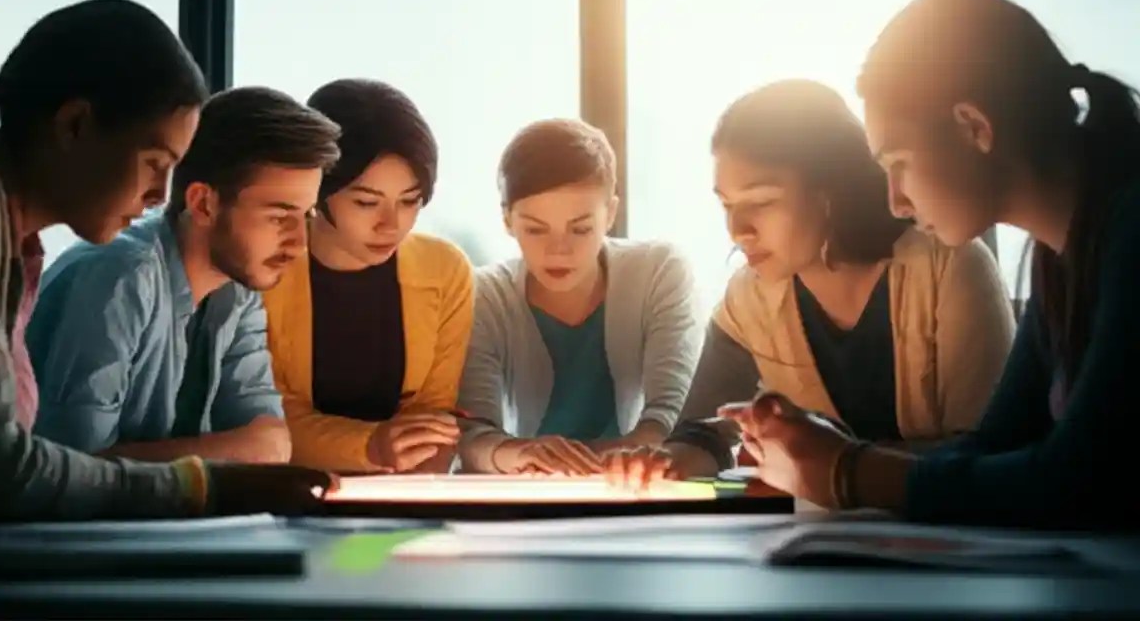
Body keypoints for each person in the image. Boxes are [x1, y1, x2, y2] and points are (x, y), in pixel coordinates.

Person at [0, 0, 329, 522]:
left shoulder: (2, 227)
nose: (160, 194)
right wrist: (202, 485)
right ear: (75, 125)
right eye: (155, 162)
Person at [717, 0, 1140, 531]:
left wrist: (848, 472)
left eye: (898, 161)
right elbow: (993, 446)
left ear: (973, 128)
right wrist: (822, 455)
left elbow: (1077, 478)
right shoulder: (1060, 259)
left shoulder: (1129, 232)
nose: (894, 200)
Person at [607, 79, 1015, 484]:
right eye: (727, 205)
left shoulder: (950, 267)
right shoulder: (750, 298)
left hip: (948, 534)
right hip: (823, 534)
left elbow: (990, 454)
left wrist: (837, 467)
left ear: (831, 192)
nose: (737, 229)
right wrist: (667, 461)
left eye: (762, 202)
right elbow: (701, 430)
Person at [28, 86, 341, 464]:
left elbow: (271, 443)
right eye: (278, 217)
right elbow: (74, 467)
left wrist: (244, 449)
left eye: (305, 217)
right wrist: (235, 451)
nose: (298, 243)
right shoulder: (120, 276)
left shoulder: (238, 291)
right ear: (203, 203)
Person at [457, 118, 703, 475]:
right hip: (527, 495)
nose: (559, 249)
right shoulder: (484, 295)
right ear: (508, 221)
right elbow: (472, 435)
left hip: (636, 489)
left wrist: (584, 464)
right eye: (535, 229)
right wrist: (517, 454)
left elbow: (672, 418)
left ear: (611, 214)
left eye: (581, 228)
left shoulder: (659, 271)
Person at [263, 79, 474, 473]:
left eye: (410, 201)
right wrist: (371, 446)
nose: (391, 225)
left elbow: (435, 416)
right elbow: (267, 416)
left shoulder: (445, 271)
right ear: (318, 189)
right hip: (282, 490)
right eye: (366, 202)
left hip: (404, 495)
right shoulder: (267, 267)